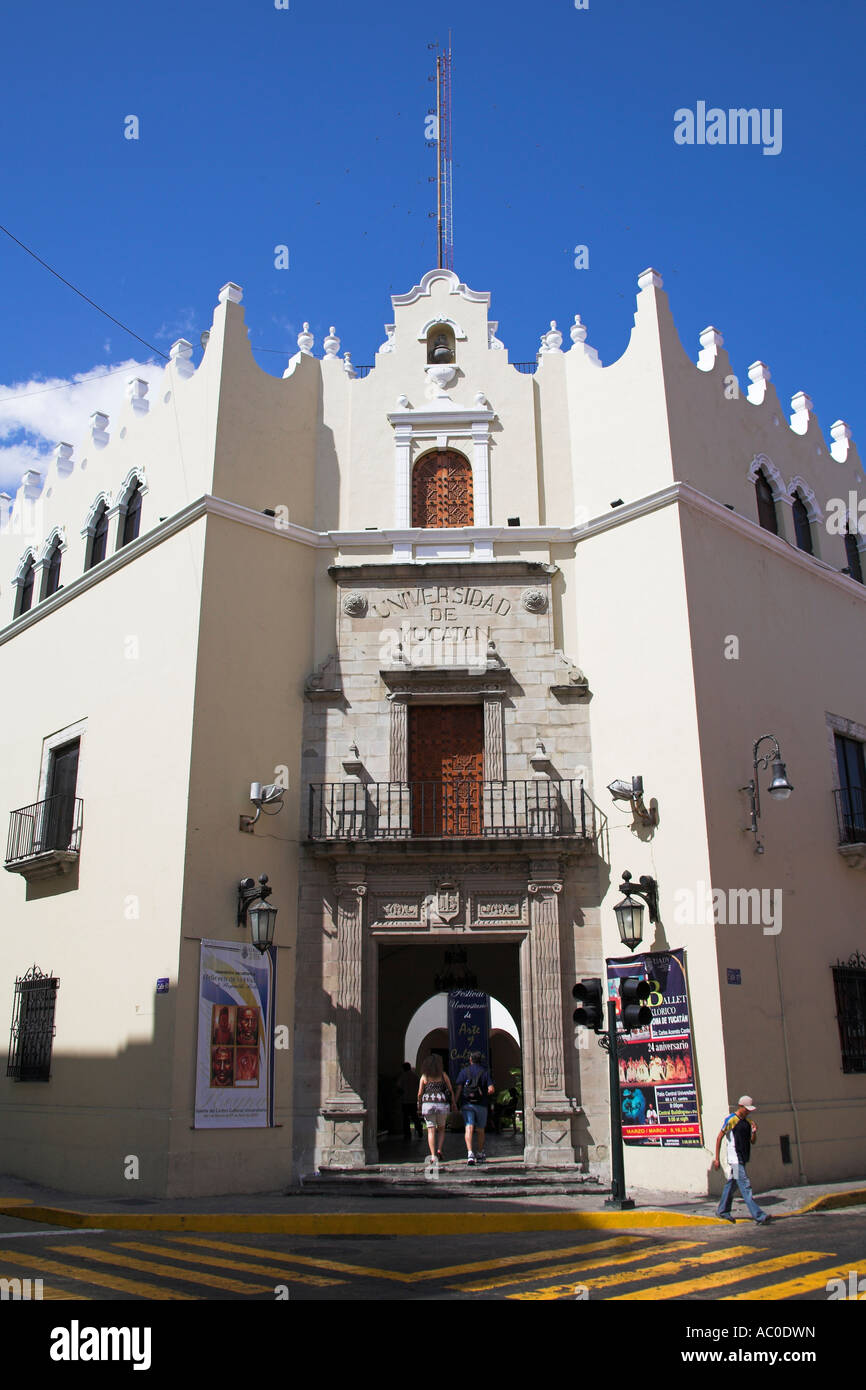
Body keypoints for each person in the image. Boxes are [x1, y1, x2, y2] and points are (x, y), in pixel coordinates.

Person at [712, 1095, 771, 1225]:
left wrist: (754, 1132)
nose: (748, 1111)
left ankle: (722, 1210)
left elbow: (753, 1141)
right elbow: (719, 1137)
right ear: (740, 1106)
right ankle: (759, 1216)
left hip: (743, 1158)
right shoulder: (731, 1120)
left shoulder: (749, 1122)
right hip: (735, 1159)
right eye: (746, 1109)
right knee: (745, 1186)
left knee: (732, 1184)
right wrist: (717, 1159)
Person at [455, 1051, 495, 1165]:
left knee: (469, 1127)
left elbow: (459, 1088)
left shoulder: (464, 1072)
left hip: (467, 1103)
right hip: (481, 1104)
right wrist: (485, 1094)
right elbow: (491, 1089)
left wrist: (455, 1102)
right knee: (480, 1129)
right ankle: (480, 1153)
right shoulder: (484, 1073)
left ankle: (470, 1153)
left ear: (470, 1060)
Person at [417, 1054, 456, 1161]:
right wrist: (453, 1103)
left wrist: (419, 1104)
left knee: (431, 1130)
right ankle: (439, 1149)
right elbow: (450, 1089)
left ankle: (433, 1155)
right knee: (442, 1129)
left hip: (428, 1105)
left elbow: (420, 1093)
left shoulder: (424, 1076)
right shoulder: (443, 1075)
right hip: (441, 1104)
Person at [396, 1062, 423, 1140]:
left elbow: (398, 1087)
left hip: (405, 1100)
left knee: (406, 1118)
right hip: (413, 1100)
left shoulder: (403, 1076)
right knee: (415, 1116)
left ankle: (407, 1134)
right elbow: (419, 1086)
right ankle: (419, 1129)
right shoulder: (415, 1076)